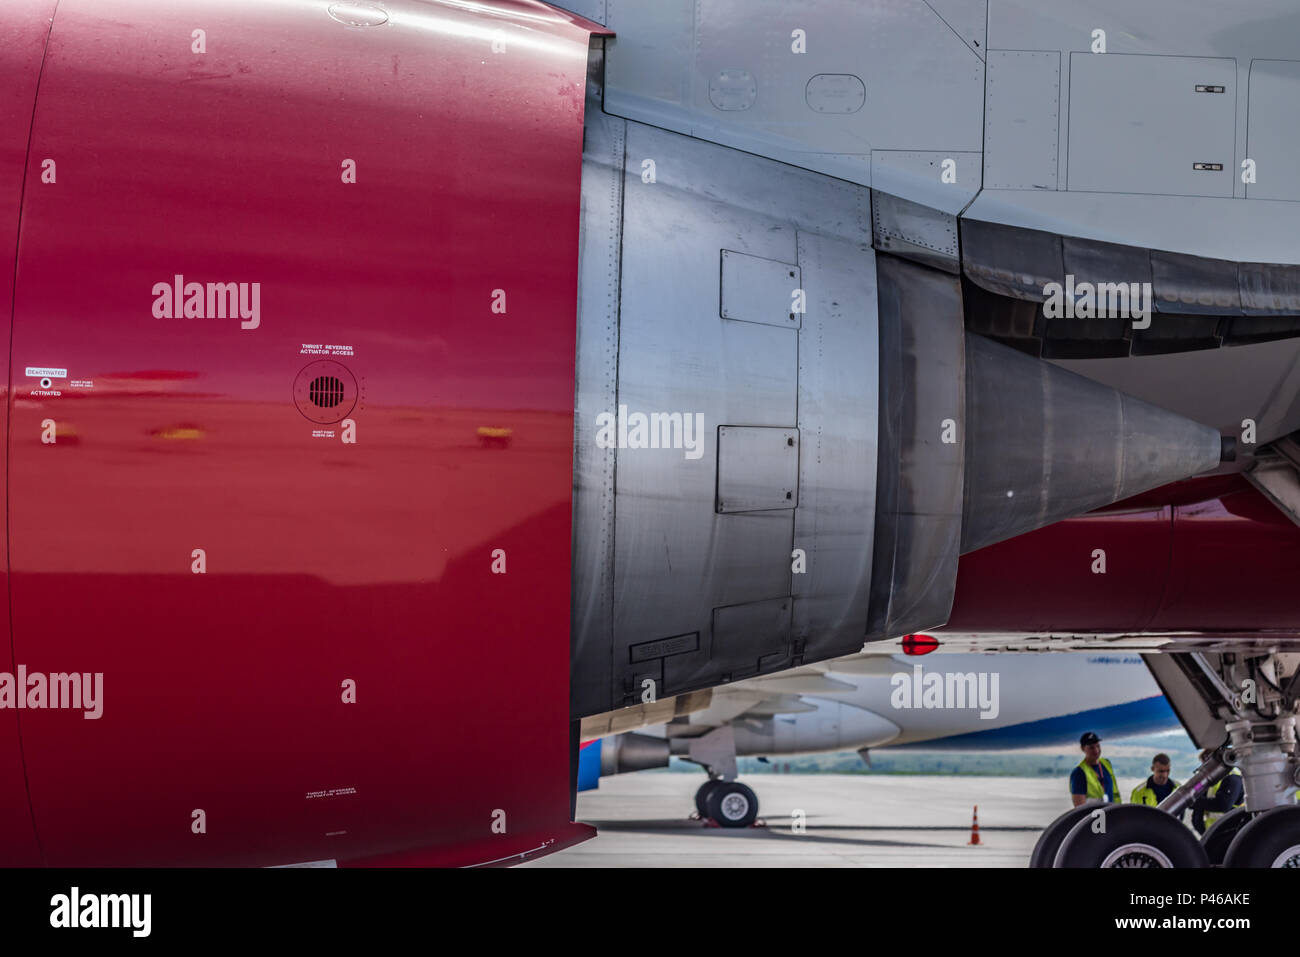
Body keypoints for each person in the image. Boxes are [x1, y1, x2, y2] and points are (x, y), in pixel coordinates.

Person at [1190, 748, 1243, 834]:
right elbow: (1194, 791)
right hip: (1210, 833)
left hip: (1230, 832)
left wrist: (1193, 802)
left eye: (1206, 765)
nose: (1204, 769)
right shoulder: (1205, 781)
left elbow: (1223, 805)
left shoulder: (1233, 778)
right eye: (1203, 765)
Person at [1070, 732, 1121, 806]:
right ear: (1082, 748)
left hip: (1113, 814)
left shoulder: (1106, 763)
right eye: (1091, 747)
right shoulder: (1079, 773)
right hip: (1096, 816)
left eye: (1098, 746)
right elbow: (1079, 807)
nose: (1096, 750)